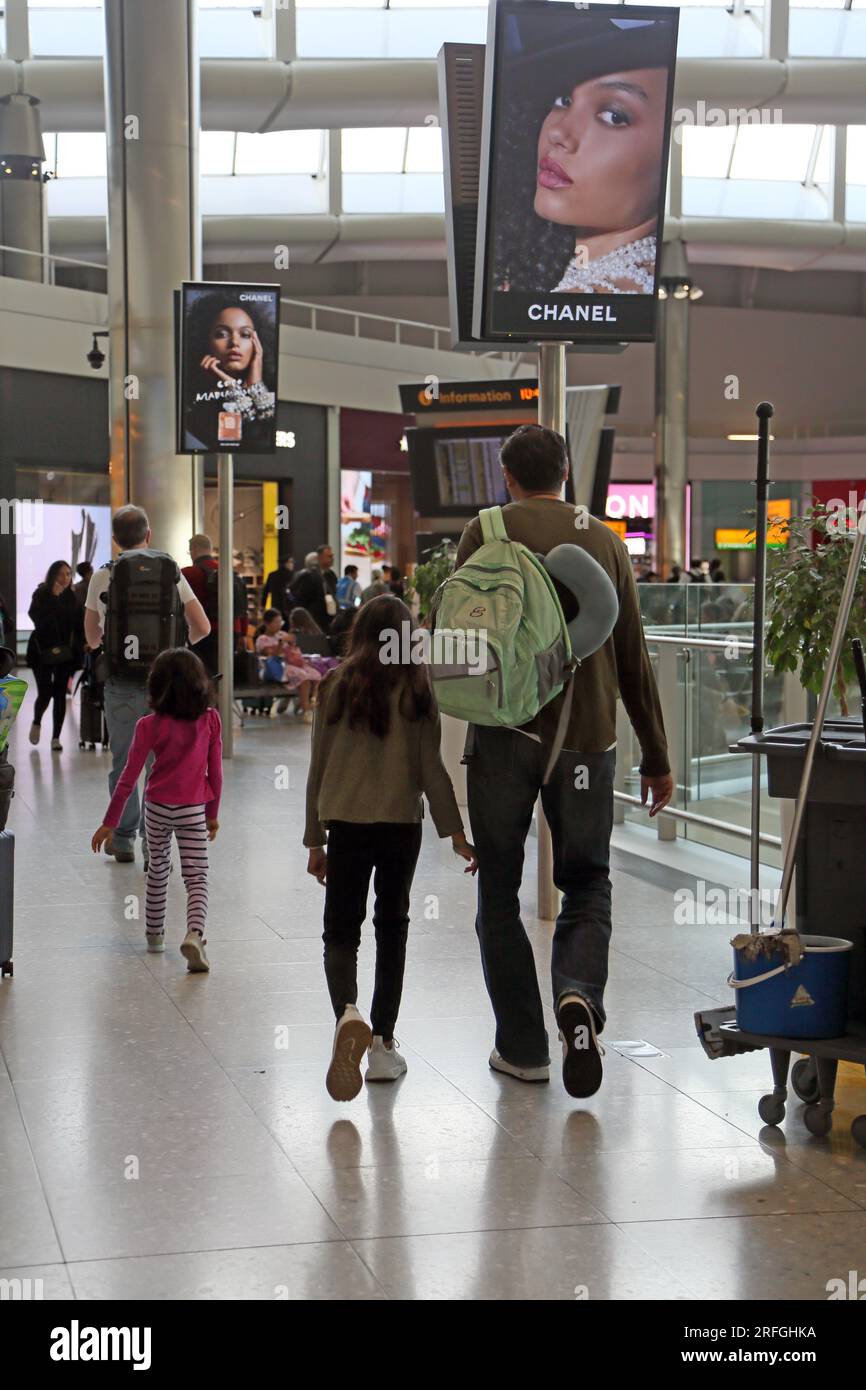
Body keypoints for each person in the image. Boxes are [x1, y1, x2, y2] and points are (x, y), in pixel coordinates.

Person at [455, 424, 672, 1099]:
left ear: (508, 474)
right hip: (585, 742)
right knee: (586, 881)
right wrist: (657, 756)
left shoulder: (485, 533)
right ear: (568, 471)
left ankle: (523, 1050)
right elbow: (632, 654)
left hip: (501, 736)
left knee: (497, 886)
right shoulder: (604, 539)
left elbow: (460, 640)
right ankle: (578, 997)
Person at [304, 595, 477, 1102]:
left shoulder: (335, 684)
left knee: (340, 929)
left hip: (346, 822)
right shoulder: (418, 689)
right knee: (391, 926)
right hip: (401, 824)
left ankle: (347, 1014)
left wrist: (315, 839)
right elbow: (433, 772)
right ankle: (381, 1045)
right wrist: (458, 834)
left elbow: (317, 767)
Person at [492, 10, 673, 296]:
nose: (558, 133)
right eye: (562, 99)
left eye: (613, 116)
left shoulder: (583, 299)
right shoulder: (589, 275)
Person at [84, 505, 210, 867]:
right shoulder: (170, 571)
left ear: (114, 539)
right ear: (149, 534)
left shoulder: (103, 575)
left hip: (121, 683)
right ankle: (152, 844)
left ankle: (122, 839)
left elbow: (92, 639)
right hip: (165, 687)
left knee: (124, 762)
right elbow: (202, 627)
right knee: (160, 764)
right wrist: (176, 649)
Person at [91, 648, 221, 972]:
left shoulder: (148, 725)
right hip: (193, 807)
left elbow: (128, 777)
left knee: (158, 870)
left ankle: (154, 936)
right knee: (197, 876)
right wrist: (212, 814)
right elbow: (214, 772)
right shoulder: (210, 720)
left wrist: (110, 823)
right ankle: (195, 933)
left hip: (157, 808)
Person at [181, 289, 276, 452]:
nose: (234, 342)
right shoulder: (191, 405)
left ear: (257, 344)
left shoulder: (273, 387)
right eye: (221, 334)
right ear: (204, 341)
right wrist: (230, 386)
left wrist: (256, 386)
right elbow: (251, 441)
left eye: (245, 334)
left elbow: (264, 440)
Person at [27, 560, 82, 751]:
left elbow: (76, 624)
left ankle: (56, 738)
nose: (65, 578)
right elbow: (37, 618)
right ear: (52, 575)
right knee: (45, 692)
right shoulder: (42, 593)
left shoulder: (72, 598)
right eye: (61, 574)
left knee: (59, 693)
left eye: (68, 574)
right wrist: (53, 598)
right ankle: (36, 721)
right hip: (41, 651)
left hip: (65, 653)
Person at [254, 609, 321, 721]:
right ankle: (306, 710)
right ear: (267, 623)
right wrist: (281, 643)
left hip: (292, 664)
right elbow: (272, 655)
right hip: (278, 667)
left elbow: (293, 650)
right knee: (303, 677)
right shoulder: (262, 639)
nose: (279, 625)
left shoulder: (282, 634)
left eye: (280, 622)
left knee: (316, 674)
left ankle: (312, 701)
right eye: (276, 622)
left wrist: (291, 643)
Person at [181, 534, 220, 675]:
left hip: (201, 635)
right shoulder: (228, 572)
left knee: (200, 677)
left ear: (194, 549)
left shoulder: (187, 574)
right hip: (229, 632)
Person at [290, 548, 333, 632]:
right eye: (329, 556)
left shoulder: (328, 575)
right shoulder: (310, 577)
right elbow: (303, 598)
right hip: (314, 619)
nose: (331, 559)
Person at [261, 554, 296, 621]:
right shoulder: (292, 576)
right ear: (285, 563)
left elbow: (265, 591)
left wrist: (263, 605)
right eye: (291, 562)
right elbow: (293, 594)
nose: (292, 564)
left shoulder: (272, 575)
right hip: (289, 608)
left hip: (275, 606)